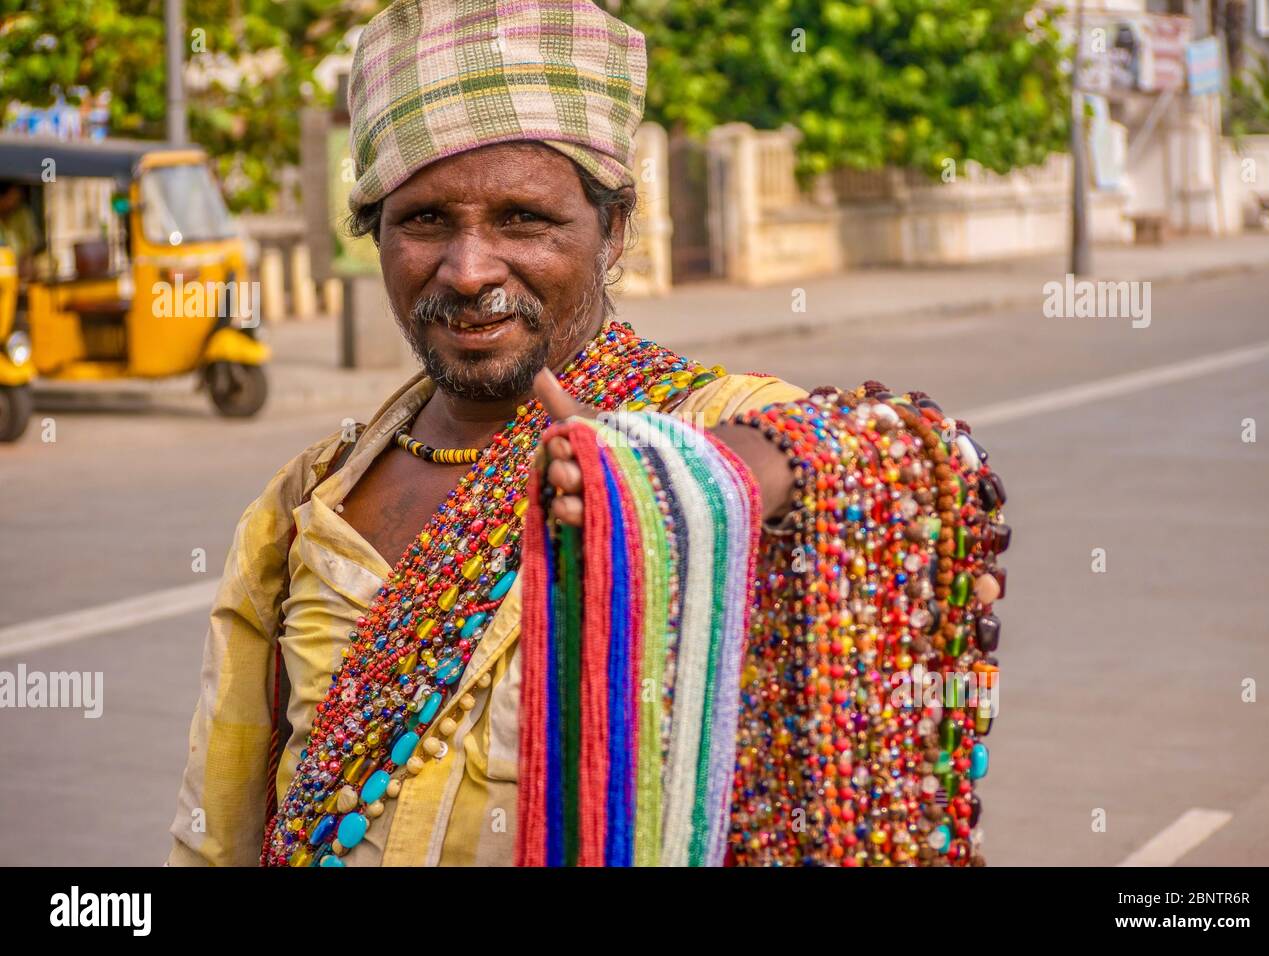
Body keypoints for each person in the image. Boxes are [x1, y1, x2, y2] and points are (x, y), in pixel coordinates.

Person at [168, 0, 1007, 868]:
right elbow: (217, 831)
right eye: (424, 220)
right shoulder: (308, 504)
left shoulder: (704, 437)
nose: (469, 270)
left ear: (610, 230)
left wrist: (698, 476)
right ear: (375, 233)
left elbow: (924, 457)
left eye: (523, 219)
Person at [0, 183, 40, 279]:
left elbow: (30, 247)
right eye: (11, 199)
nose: (14, 203)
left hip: (21, 275)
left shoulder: (23, 214)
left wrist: (26, 264)